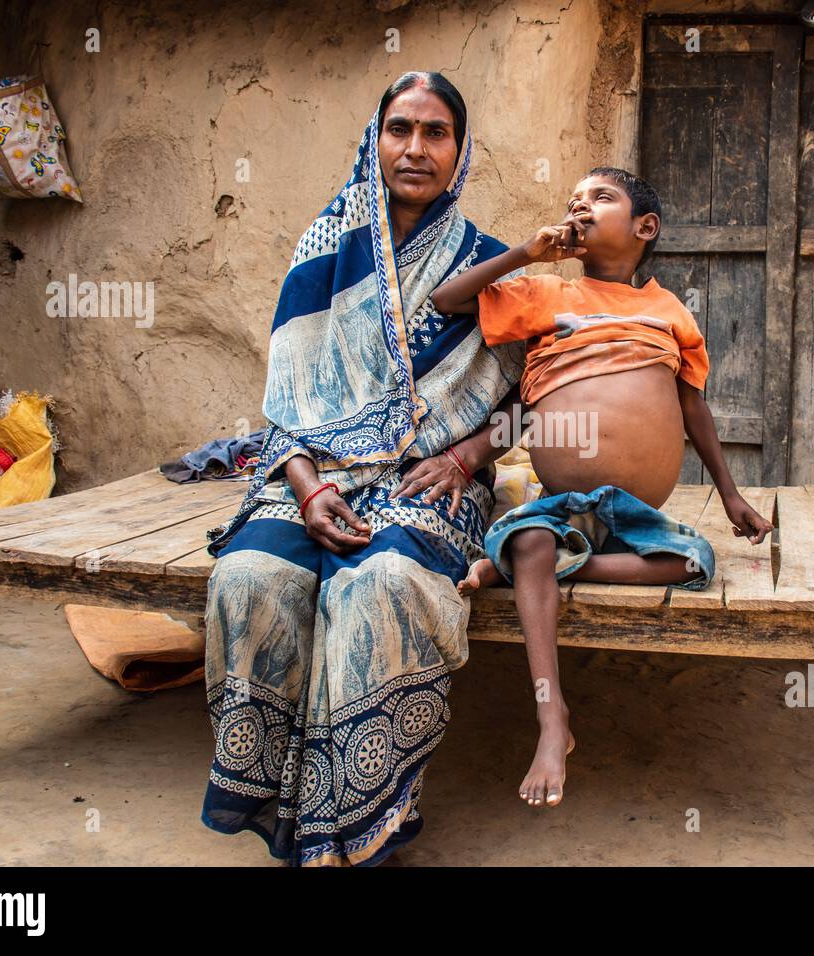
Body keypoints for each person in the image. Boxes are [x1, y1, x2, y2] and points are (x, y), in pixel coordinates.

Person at [201, 72, 526, 867]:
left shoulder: (488, 267)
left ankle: (364, 817)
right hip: (316, 476)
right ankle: (285, 807)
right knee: (247, 577)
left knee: (379, 589)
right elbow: (286, 403)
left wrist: (466, 454)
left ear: (461, 149)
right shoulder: (323, 249)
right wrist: (308, 489)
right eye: (401, 128)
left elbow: (536, 404)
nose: (416, 148)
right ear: (374, 140)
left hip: (427, 481)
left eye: (436, 132)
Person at [432, 167, 774, 809]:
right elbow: (449, 301)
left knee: (692, 561)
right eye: (573, 202)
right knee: (531, 538)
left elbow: (693, 407)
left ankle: (550, 570)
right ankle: (552, 717)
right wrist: (526, 253)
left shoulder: (668, 312)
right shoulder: (543, 293)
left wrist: (729, 494)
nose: (581, 208)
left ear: (645, 227)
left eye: (600, 199)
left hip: (638, 508)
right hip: (565, 503)